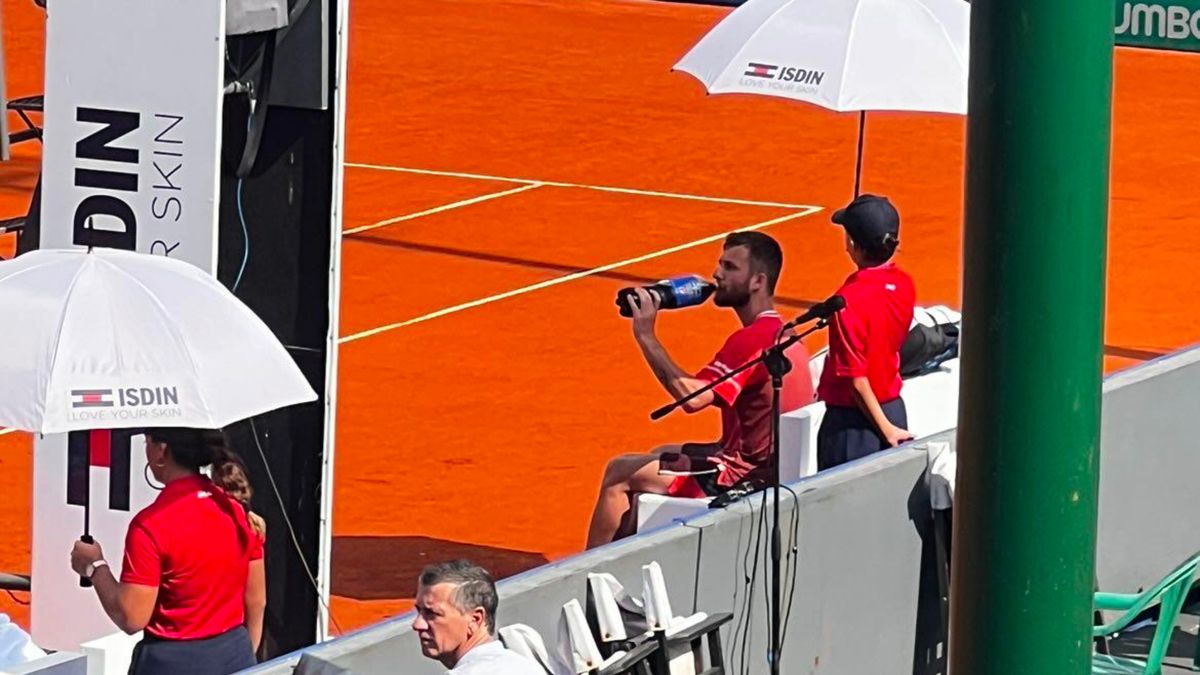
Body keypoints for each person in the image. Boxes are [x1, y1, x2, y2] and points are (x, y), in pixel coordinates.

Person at [585, 231, 813, 549]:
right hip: (764, 465)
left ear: (758, 281)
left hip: (739, 475)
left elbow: (692, 397)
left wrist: (646, 335)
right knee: (659, 453)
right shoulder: (783, 331)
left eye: (730, 267)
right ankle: (628, 557)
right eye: (720, 264)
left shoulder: (751, 340)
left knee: (619, 472)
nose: (717, 274)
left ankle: (586, 572)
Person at [69, 428, 267, 675]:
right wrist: (245, 658)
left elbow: (132, 617)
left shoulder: (150, 526)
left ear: (161, 451)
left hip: (171, 663)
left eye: (147, 443)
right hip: (235, 655)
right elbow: (256, 601)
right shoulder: (237, 511)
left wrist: (94, 567)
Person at [816, 194, 917, 470]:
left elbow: (857, 381)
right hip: (893, 409)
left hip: (853, 427)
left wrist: (887, 431)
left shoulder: (847, 301)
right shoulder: (905, 284)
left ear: (852, 244)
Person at [412, 560, 541, 674]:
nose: (417, 624)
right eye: (419, 611)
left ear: (475, 619)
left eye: (432, 614)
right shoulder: (523, 665)